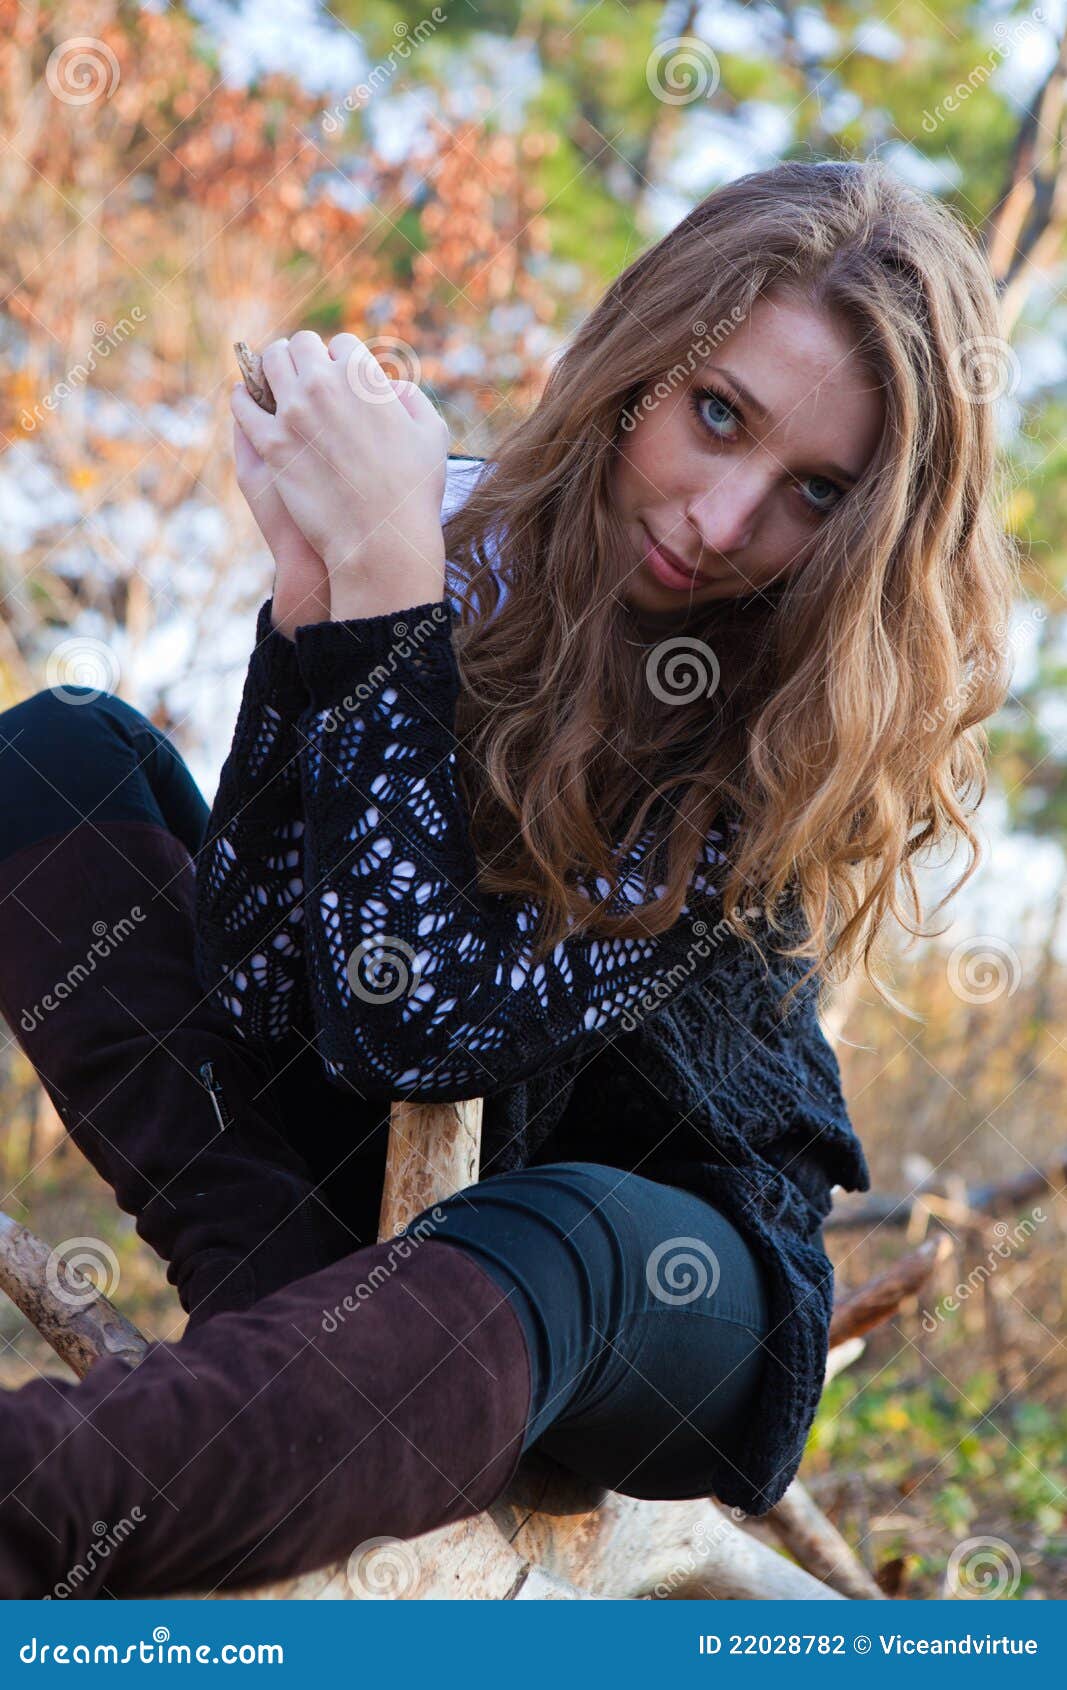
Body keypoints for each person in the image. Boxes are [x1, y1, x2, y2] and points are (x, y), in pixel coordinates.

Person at [0, 158, 1015, 1598]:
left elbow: (437, 1016)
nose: (722, 522)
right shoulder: (458, 545)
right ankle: (316, 1383)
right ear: (639, 363)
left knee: (561, 1227)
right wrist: (312, 601)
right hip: (378, 1259)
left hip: (651, 1286)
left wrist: (384, 595)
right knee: (59, 757)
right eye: (715, 416)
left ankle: (64, 1498)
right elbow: (270, 984)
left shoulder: (798, 703)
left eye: (812, 493)